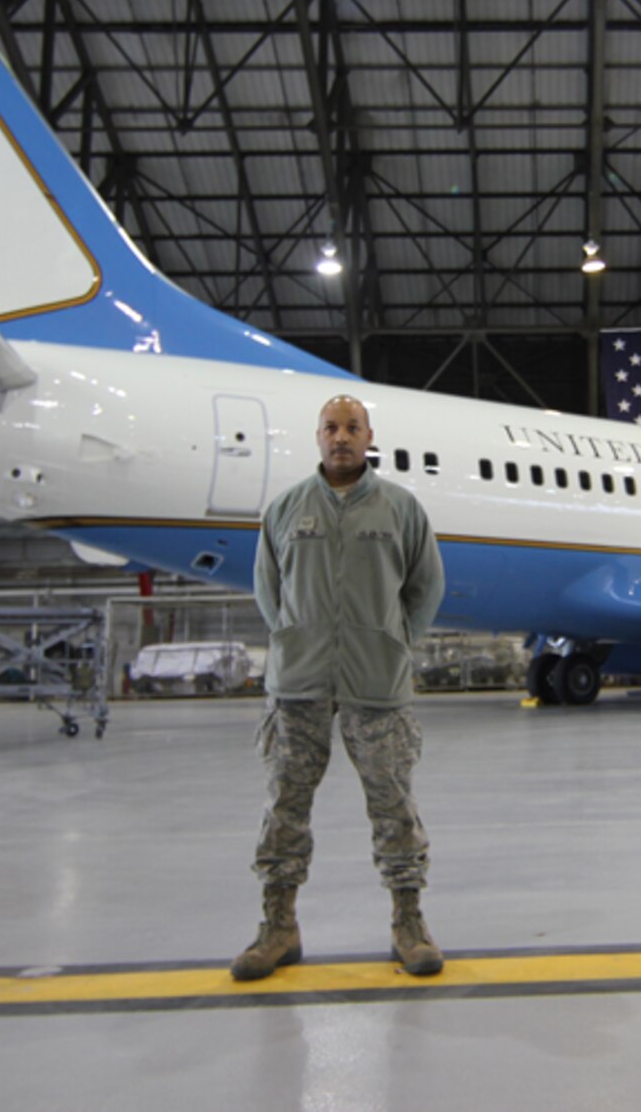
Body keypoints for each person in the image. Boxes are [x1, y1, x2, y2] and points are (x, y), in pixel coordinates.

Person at [233, 394, 446, 982]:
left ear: (369, 435)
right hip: (298, 685)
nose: (341, 437)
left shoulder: (401, 509)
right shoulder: (285, 509)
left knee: (394, 806)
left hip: (377, 683)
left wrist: (392, 641)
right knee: (285, 807)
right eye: (331, 427)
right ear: (318, 436)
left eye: (352, 427)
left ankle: (409, 924)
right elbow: (267, 589)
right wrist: (294, 639)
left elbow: (425, 589)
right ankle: (278, 928)